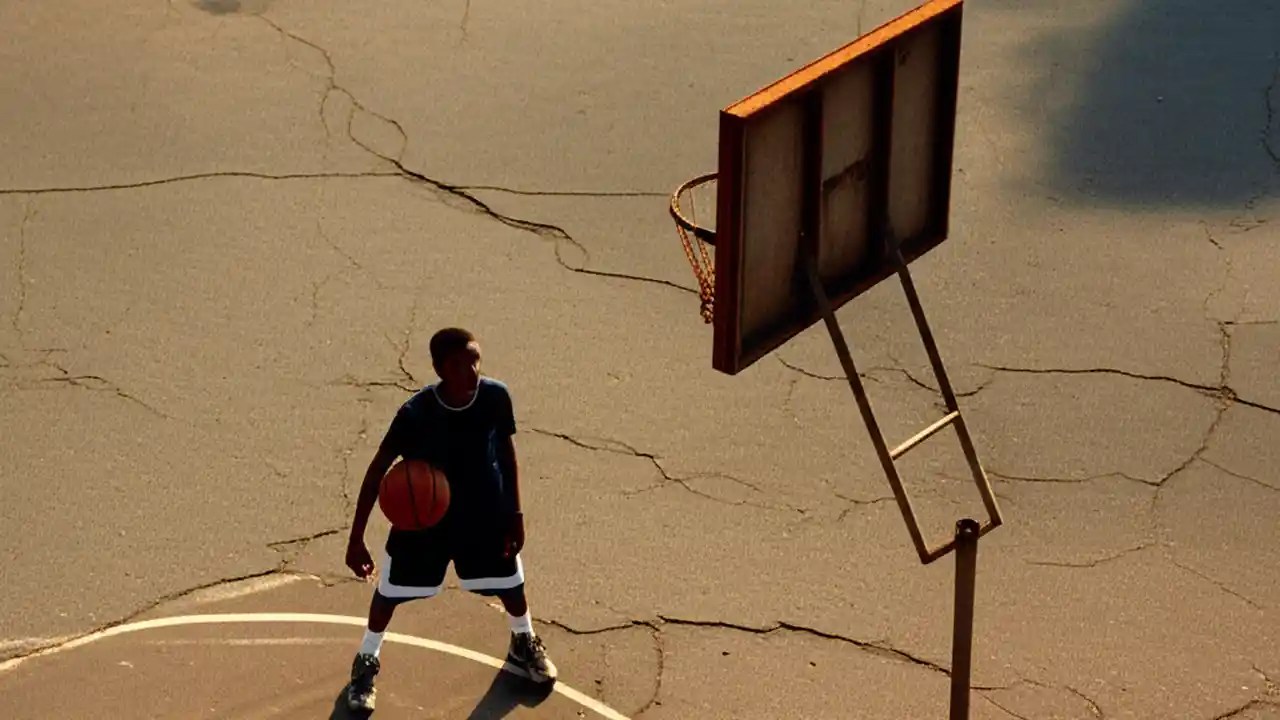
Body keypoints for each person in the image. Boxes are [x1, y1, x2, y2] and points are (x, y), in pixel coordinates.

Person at [342, 327, 557, 712]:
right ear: (440, 369)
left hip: (484, 514)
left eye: (475, 359)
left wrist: (516, 513)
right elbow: (377, 470)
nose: (471, 370)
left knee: (511, 584)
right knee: (389, 593)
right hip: (425, 522)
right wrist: (356, 538)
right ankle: (366, 660)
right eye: (459, 364)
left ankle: (522, 641)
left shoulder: (495, 397)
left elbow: (507, 453)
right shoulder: (416, 414)